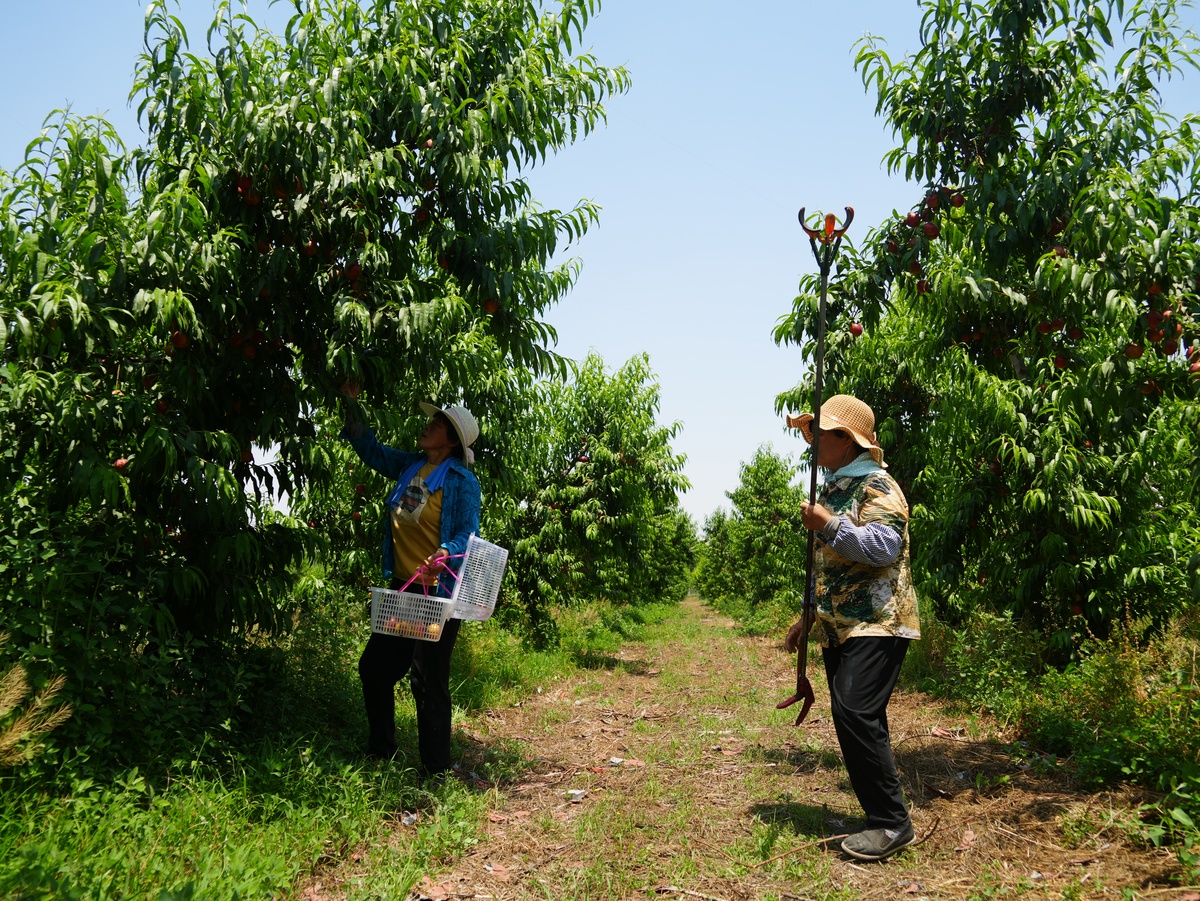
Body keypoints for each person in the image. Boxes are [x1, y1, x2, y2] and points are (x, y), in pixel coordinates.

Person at [783, 393, 921, 861]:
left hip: (878, 620)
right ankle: (879, 818)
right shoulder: (833, 490)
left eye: (818, 433)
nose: (811, 441)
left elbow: (883, 547)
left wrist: (830, 524)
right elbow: (823, 564)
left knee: (854, 711)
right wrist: (808, 613)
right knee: (855, 717)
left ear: (846, 440)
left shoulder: (878, 485)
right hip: (841, 624)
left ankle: (891, 823)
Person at [343, 401, 482, 773]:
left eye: (437, 423)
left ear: (451, 440)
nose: (428, 426)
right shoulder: (410, 467)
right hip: (404, 587)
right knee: (375, 668)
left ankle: (436, 770)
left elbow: (467, 535)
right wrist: (352, 403)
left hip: (437, 595)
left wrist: (444, 552)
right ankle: (381, 752)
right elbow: (369, 449)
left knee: (427, 680)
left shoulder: (461, 482)